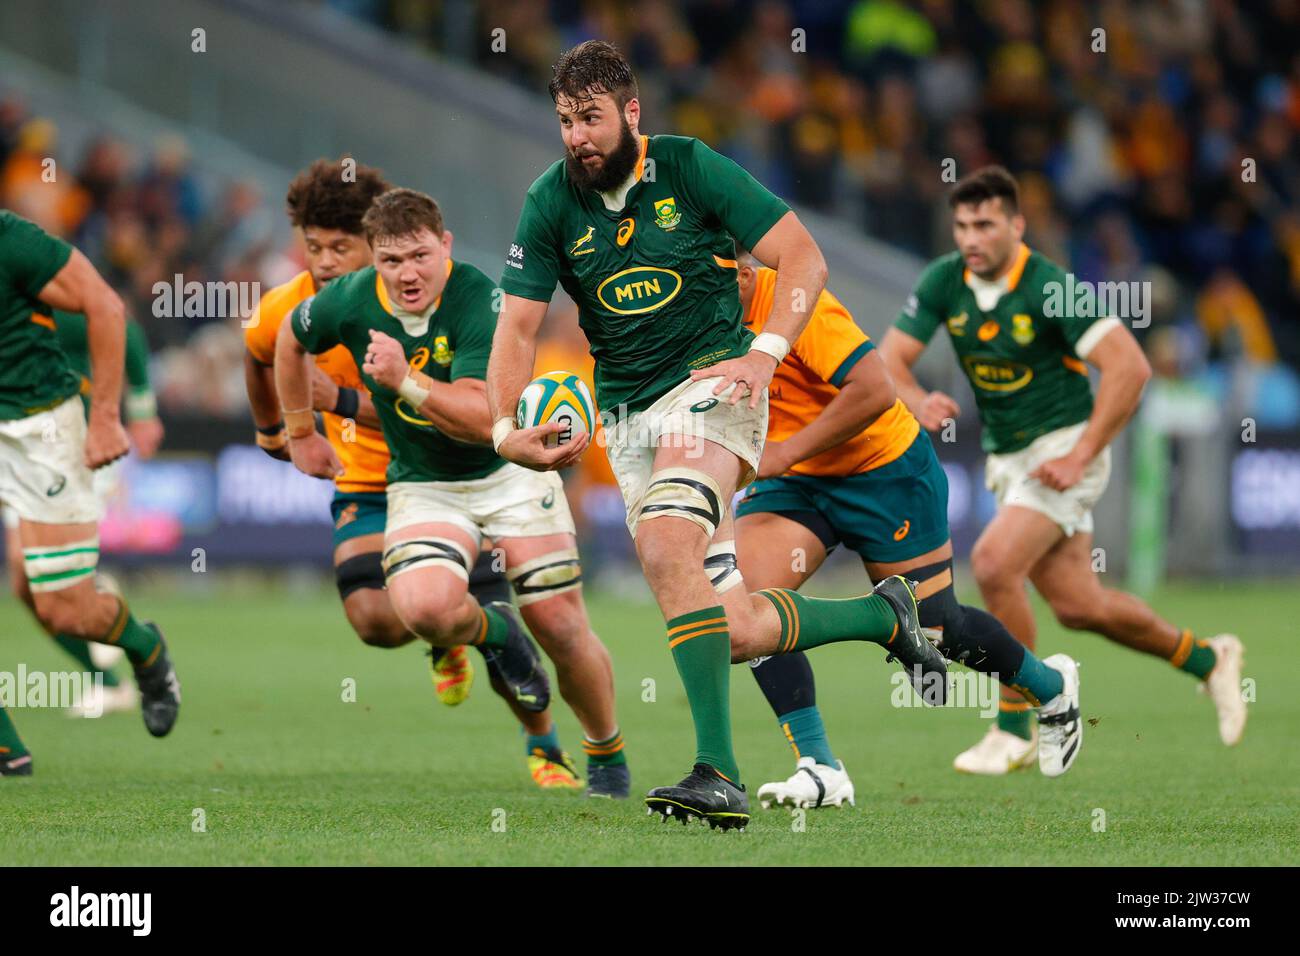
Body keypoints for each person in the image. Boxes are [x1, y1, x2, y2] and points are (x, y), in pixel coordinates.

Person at [488, 41, 945, 830]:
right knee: (731, 628)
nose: (576, 137)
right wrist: (503, 430)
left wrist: (764, 356)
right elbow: (516, 329)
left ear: (632, 112)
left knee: (669, 541)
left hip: (715, 392)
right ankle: (884, 617)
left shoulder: (691, 167)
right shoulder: (549, 202)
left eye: (590, 118)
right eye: (564, 121)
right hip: (630, 423)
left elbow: (802, 254)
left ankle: (718, 774)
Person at [880, 166, 1245, 774]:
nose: (972, 237)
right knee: (1080, 605)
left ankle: (1021, 719)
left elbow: (1129, 368)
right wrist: (917, 399)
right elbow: (890, 356)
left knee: (995, 564)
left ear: (1017, 226)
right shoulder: (946, 280)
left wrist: (1079, 456)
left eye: (986, 224)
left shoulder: (1051, 287)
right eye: (963, 225)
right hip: (1010, 456)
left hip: (1064, 449)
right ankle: (1211, 661)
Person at [277, 186, 630, 798]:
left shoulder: (482, 300)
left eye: (419, 256)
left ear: (445, 246)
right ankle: (497, 634)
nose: (406, 274)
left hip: (507, 473)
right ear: (374, 260)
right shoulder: (351, 299)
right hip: (426, 483)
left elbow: (479, 417)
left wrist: (405, 381)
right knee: (424, 610)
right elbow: (288, 340)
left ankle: (606, 752)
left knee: (561, 625)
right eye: (390, 262)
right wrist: (300, 431)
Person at [727, 251, 1081, 810]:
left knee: (939, 628)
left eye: (708, 279)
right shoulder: (695, 307)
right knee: (744, 614)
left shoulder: (796, 303)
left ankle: (1051, 688)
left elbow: (875, 390)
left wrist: (784, 451)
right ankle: (820, 767)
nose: (695, 294)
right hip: (797, 480)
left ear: (745, 273)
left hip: (882, 468)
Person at [0, 210, 180, 776]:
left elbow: (108, 309)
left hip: (38, 433)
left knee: (60, 604)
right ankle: (8, 749)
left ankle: (144, 649)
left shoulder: (14, 244)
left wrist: (111, 416)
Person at [3, 308, 164, 717]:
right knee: (24, 584)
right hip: (20, 449)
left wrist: (142, 409)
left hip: (77, 444)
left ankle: (122, 626)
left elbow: (124, 329)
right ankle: (107, 682)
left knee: (34, 568)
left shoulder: (38, 294)